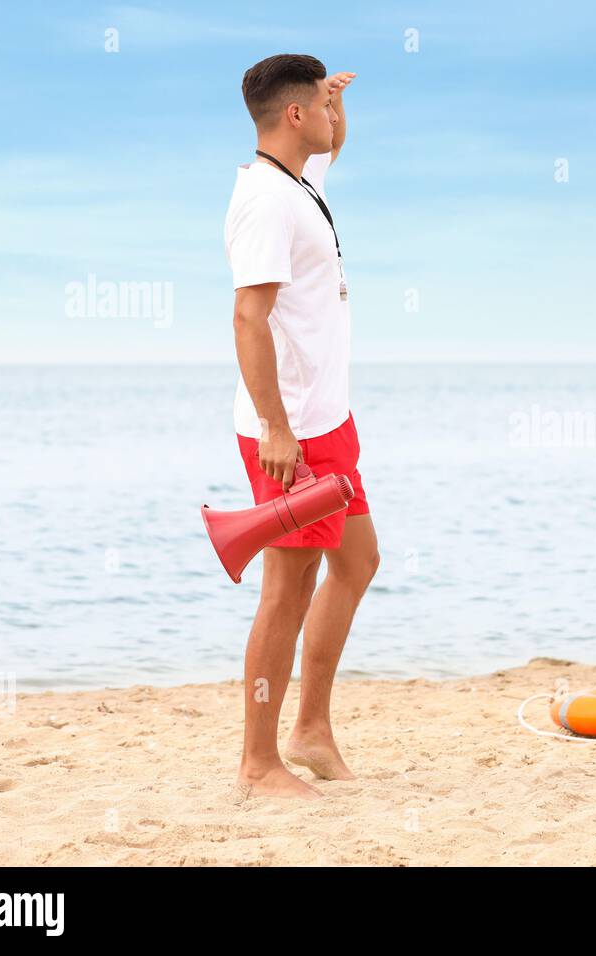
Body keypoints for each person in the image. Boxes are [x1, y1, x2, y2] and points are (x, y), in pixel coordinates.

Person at [225, 54, 376, 800]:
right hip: (293, 434)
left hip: (329, 420)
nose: (328, 116)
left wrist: (336, 113)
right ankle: (258, 766)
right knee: (285, 591)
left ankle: (310, 731)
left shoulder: (298, 186)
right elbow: (248, 315)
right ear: (292, 116)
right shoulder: (265, 202)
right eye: (319, 104)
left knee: (356, 563)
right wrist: (275, 429)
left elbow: (329, 151)